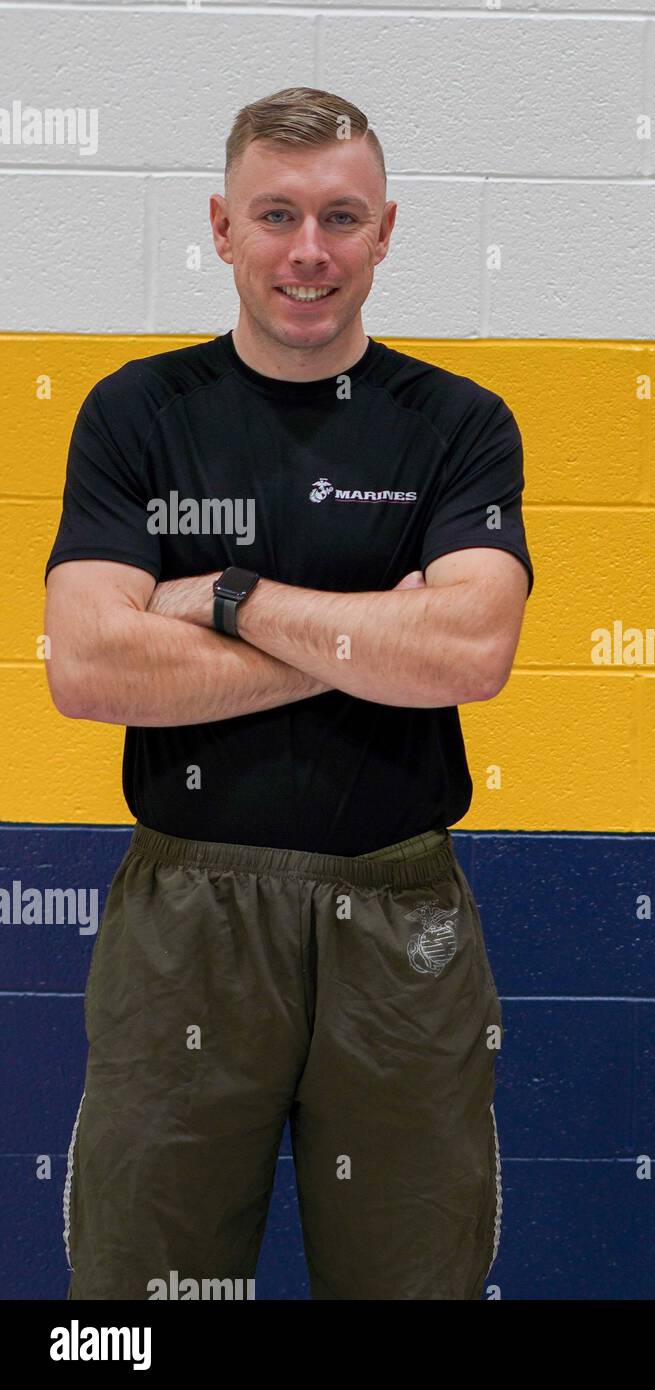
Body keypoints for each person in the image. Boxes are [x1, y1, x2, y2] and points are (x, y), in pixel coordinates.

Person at [43, 87, 533, 1300]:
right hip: (186, 914)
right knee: (133, 1297)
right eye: (276, 216)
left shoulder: (458, 425)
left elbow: (470, 652)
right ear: (219, 226)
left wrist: (220, 597)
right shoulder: (135, 414)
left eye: (340, 217)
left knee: (414, 1278)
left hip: (400, 910)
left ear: (385, 230)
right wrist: (372, 638)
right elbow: (90, 665)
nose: (308, 252)